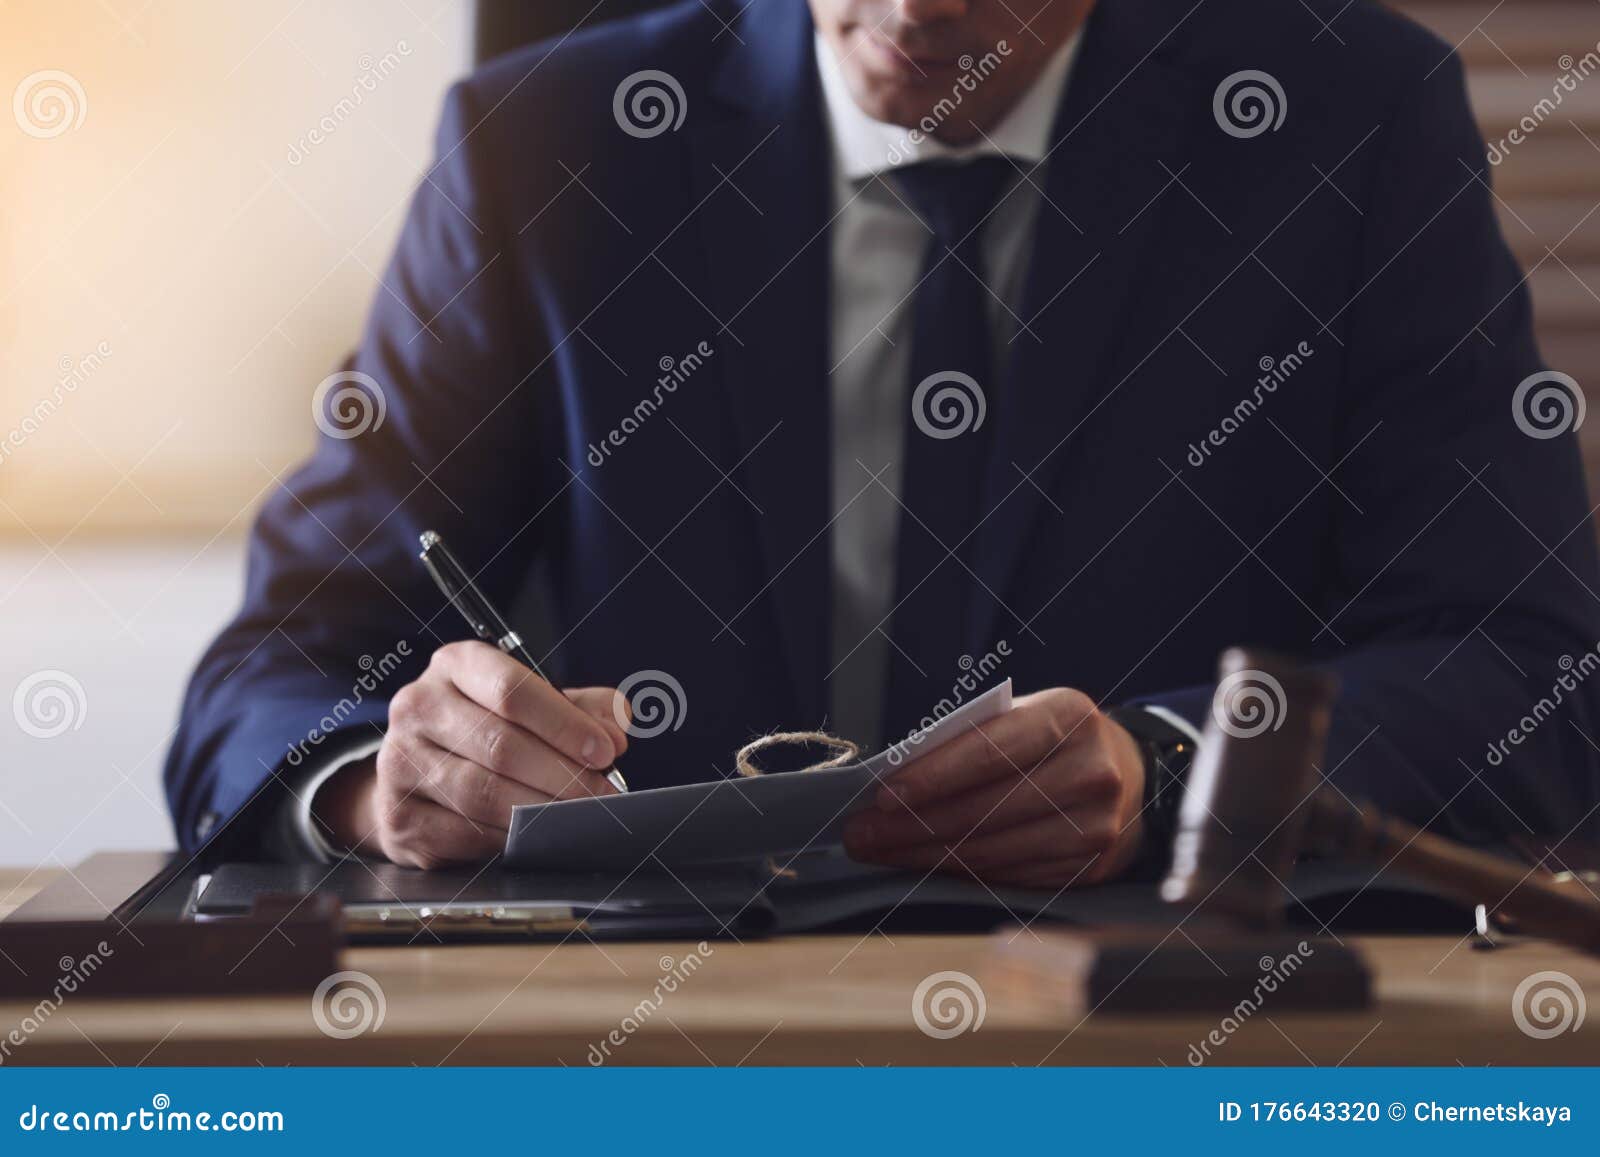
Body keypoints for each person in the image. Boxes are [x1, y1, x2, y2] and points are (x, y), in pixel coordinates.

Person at [166, 0, 1600, 885]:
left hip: (1145, 1053)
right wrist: (372, 779)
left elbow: (1529, 674)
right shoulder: (539, 145)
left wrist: (1176, 772)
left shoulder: (1351, 125)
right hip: (650, 1060)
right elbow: (271, 672)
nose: (920, 5)